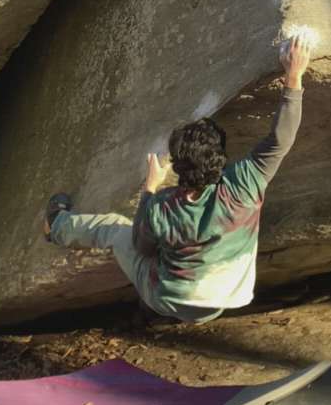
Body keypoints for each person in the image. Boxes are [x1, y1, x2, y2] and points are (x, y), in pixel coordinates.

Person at [44, 36, 310, 323]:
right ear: (220, 157)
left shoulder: (161, 206)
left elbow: (142, 247)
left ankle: (55, 226)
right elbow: (280, 141)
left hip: (166, 298)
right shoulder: (244, 185)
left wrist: (149, 189)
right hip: (222, 302)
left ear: (178, 166)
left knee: (113, 228)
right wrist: (294, 75)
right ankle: (156, 308)